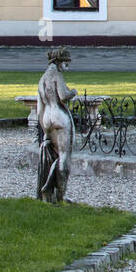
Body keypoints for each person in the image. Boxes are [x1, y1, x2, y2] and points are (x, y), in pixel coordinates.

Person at [37, 47, 77, 203]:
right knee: (64, 157)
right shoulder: (56, 75)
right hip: (59, 117)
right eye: (66, 63)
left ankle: (48, 188)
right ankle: (60, 196)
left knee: (54, 155)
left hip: (47, 117)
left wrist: (45, 129)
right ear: (59, 62)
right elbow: (63, 95)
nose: (67, 67)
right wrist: (73, 92)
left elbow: (40, 107)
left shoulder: (42, 78)